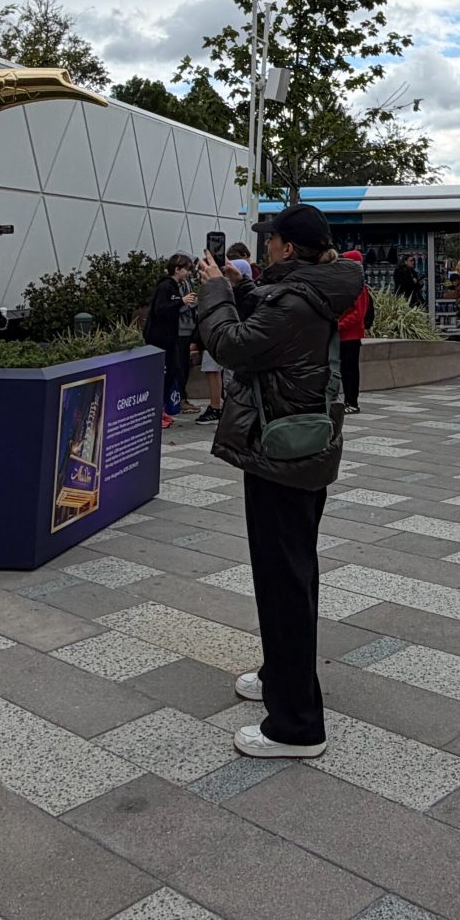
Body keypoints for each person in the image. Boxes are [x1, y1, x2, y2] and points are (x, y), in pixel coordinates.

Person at [194, 203, 365, 760]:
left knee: (284, 580)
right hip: (296, 449)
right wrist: (239, 291)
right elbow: (266, 326)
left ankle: (296, 725)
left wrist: (216, 291)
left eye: (271, 241)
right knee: (288, 571)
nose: (264, 246)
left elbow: (231, 346)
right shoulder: (313, 291)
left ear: (289, 248)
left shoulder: (296, 301)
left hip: (281, 456)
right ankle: (279, 677)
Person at [143, 254, 197, 426]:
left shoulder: (174, 286)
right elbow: (160, 310)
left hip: (170, 338)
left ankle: (162, 409)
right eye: (186, 269)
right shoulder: (166, 286)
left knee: (173, 370)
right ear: (177, 269)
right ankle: (156, 411)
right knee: (163, 373)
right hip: (160, 339)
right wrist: (181, 302)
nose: (188, 273)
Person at [338, 249, 371, 413]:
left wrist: (339, 325)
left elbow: (358, 314)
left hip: (350, 335)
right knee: (345, 369)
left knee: (350, 369)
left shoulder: (359, 287)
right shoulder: (349, 285)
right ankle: (348, 401)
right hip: (344, 334)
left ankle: (352, 402)